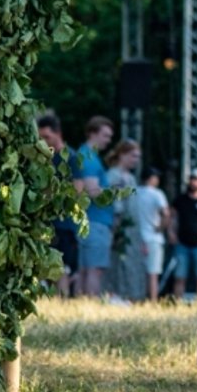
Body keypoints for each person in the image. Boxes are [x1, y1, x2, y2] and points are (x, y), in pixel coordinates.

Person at [70, 116, 116, 298]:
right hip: (95, 222)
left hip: (89, 222)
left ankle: (82, 306)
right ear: (92, 133)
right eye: (105, 135)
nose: (108, 140)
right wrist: (116, 192)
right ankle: (92, 304)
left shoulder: (87, 155)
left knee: (85, 268)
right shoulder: (89, 157)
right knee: (94, 269)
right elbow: (92, 191)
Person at [36, 113, 77, 294]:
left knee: (61, 269)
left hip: (64, 223)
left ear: (58, 133)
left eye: (47, 137)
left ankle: (63, 304)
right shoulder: (44, 158)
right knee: (46, 269)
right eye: (40, 138)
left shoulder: (71, 158)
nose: (43, 142)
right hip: (45, 221)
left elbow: (77, 190)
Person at [102, 138, 143, 302]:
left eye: (138, 157)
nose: (136, 160)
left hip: (132, 230)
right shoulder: (114, 176)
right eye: (133, 156)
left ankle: (128, 295)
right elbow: (116, 205)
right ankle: (115, 295)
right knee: (118, 262)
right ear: (122, 155)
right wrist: (116, 228)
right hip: (120, 229)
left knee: (131, 263)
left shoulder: (130, 177)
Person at [170, 170, 197, 302]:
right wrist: (171, 233)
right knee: (180, 276)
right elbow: (172, 218)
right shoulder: (180, 200)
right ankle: (177, 303)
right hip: (182, 244)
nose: (195, 181)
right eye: (193, 178)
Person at [132, 166, 170, 303]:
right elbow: (166, 214)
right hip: (153, 238)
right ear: (152, 178)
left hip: (137, 237)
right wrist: (160, 228)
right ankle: (153, 301)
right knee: (152, 273)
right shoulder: (157, 194)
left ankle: (137, 299)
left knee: (137, 271)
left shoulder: (135, 192)